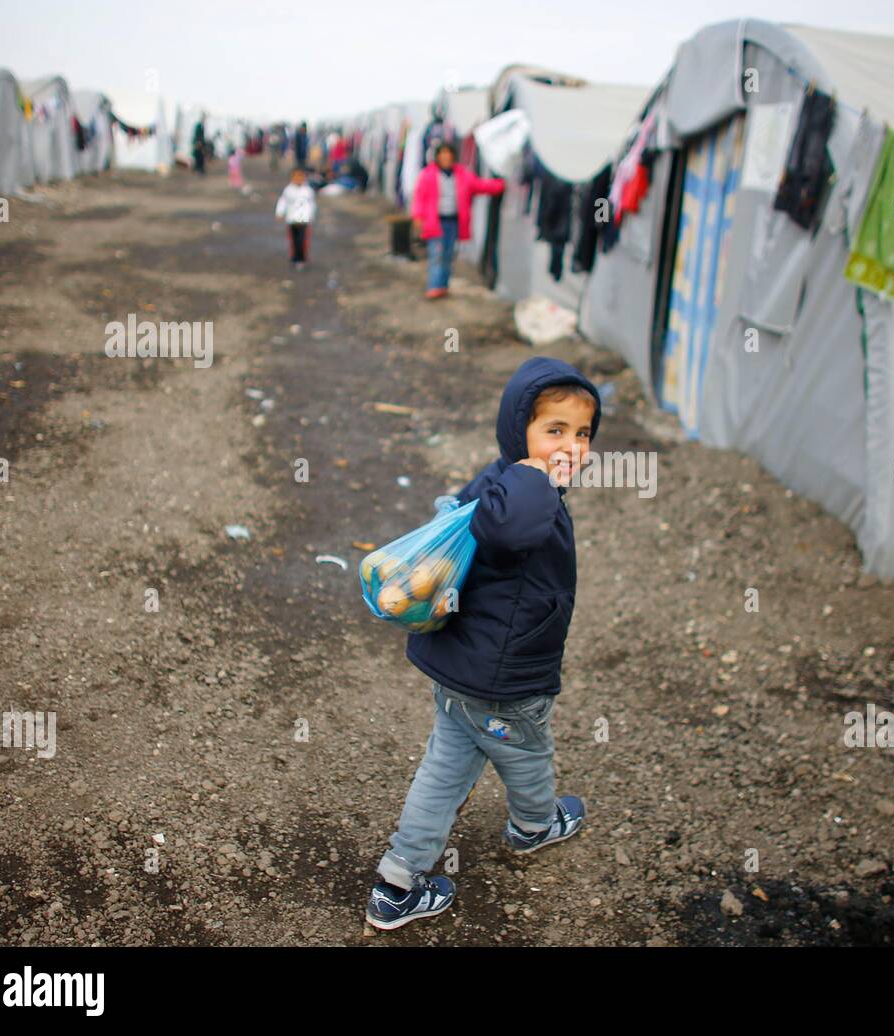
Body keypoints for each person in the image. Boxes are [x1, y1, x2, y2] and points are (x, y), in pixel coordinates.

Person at [366, 356, 601, 931]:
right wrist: (536, 475)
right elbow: (510, 528)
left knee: (445, 767)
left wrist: (533, 471)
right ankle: (534, 825)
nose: (572, 445)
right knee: (526, 753)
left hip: (461, 673)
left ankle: (399, 879)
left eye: (583, 433)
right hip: (504, 681)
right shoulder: (525, 490)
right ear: (517, 431)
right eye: (555, 430)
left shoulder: (501, 478)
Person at [410, 142, 504, 299]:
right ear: (438, 156)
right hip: (435, 222)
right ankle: (434, 285)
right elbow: (419, 198)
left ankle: (443, 285)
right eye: (443, 153)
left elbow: (480, 185)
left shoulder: (462, 175)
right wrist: (418, 216)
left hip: (453, 222)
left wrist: (501, 185)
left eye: (449, 153)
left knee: (448, 255)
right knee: (436, 255)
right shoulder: (428, 175)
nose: (446, 157)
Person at [275, 166, 317, 270]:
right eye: (296, 176)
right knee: (293, 240)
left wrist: (312, 216)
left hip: (304, 220)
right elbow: (282, 201)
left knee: (302, 241)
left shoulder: (308, 191)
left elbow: (312, 205)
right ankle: (294, 258)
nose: (298, 179)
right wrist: (279, 212)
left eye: (301, 176)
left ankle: (302, 259)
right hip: (292, 220)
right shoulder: (288, 190)